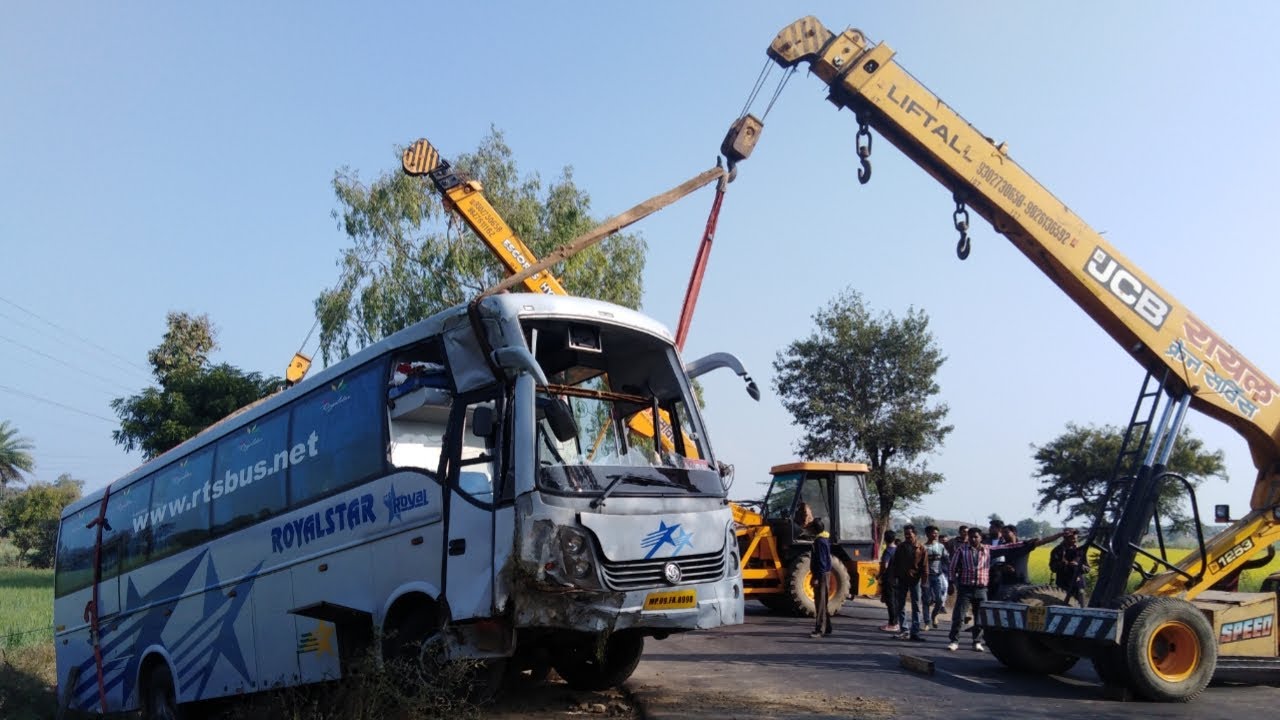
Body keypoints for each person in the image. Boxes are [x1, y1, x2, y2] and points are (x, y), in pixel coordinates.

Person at [947, 527, 992, 652]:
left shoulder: (988, 550)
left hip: (981, 589)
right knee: (959, 616)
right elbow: (952, 567)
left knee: (980, 617)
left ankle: (977, 641)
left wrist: (1026, 543)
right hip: (965, 588)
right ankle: (954, 641)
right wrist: (952, 582)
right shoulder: (961, 550)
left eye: (976, 536)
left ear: (981, 538)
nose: (973, 539)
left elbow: (1007, 548)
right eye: (971, 536)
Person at [889, 524, 929, 641]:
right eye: (905, 534)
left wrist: (924, 582)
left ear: (915, 534)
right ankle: (904, 630)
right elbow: (894, 564)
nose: (907, 536)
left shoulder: (921, 548)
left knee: (916, 606)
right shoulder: (900, 547)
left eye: (909, 534)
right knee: (900, 605)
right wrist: (893, 577)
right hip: (902, 579)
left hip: (915, 580)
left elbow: (925, 566)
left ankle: (915, 632)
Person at [808, 518, 835, 638]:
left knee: (820, 602)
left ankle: (820, 629)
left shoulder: (819, 542)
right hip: (824, 574)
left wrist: (817, 577)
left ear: (814, 529)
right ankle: (827, 627)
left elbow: (821, 562)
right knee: (823, 601)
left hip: (821, 574)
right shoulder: (823, 540)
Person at [1049, 528, 1089, 606]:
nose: (1074, 541)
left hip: (1078, 586)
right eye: (1072, 539)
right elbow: (1053, 568)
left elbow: (1087, 569)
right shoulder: (1057, 551)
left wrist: (1078, 566)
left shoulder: (1080, 551)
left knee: (1080, 607)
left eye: (1075, 539)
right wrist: (1065, 564)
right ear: (1065, 538)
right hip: (1063, 585)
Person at [923, 525, 950, 629]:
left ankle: (934, 616)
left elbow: (947, 559)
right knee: (926, 600)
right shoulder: (923, 547)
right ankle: (926, 622)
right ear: (927, 534)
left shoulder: (941, 546)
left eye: (937, 533)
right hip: (926, 577)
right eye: (933, 533)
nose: (935, 535)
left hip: (938, 576)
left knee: (939, 600)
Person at [878, 529, 900, 632]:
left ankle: (892, 623)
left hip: (889, 579)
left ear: (885, 539)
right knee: (895, 601)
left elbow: (884, 565)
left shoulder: (887, 551)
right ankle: (896, 622)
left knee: (890, 601)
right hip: (897, 579)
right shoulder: (898, 550)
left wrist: (879, 575)